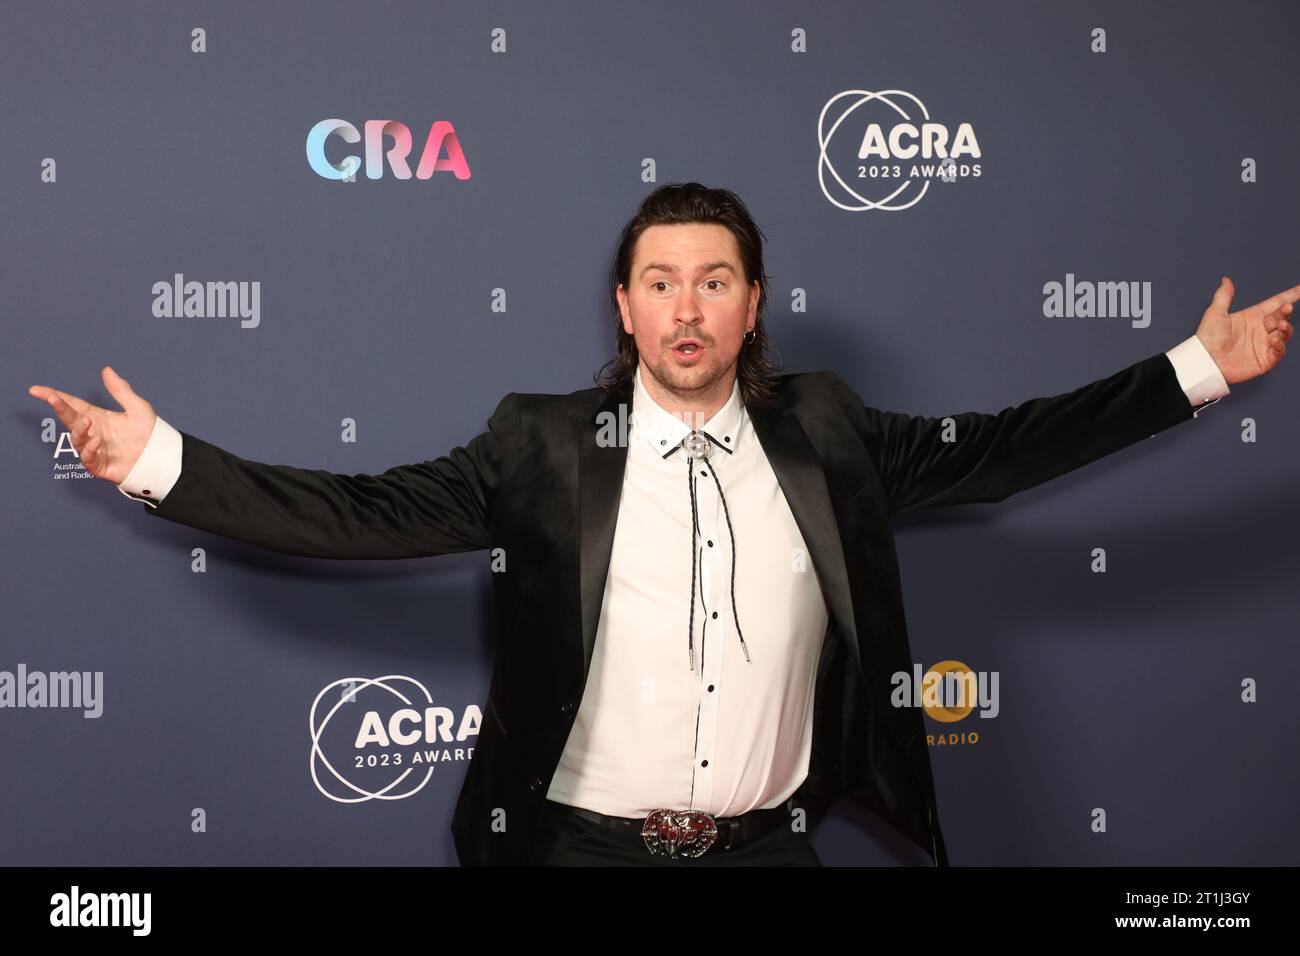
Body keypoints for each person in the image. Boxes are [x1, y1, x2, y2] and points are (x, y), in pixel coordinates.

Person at [28, 183, 1296, 867]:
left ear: (752, 307)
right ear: (624, 312)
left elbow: (1007, 449)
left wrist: (1194, 366)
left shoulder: (833, 432)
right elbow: (354, 514)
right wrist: (162, 462)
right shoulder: (537, 444)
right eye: (659, 282)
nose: (686, 307)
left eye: (715, 280)